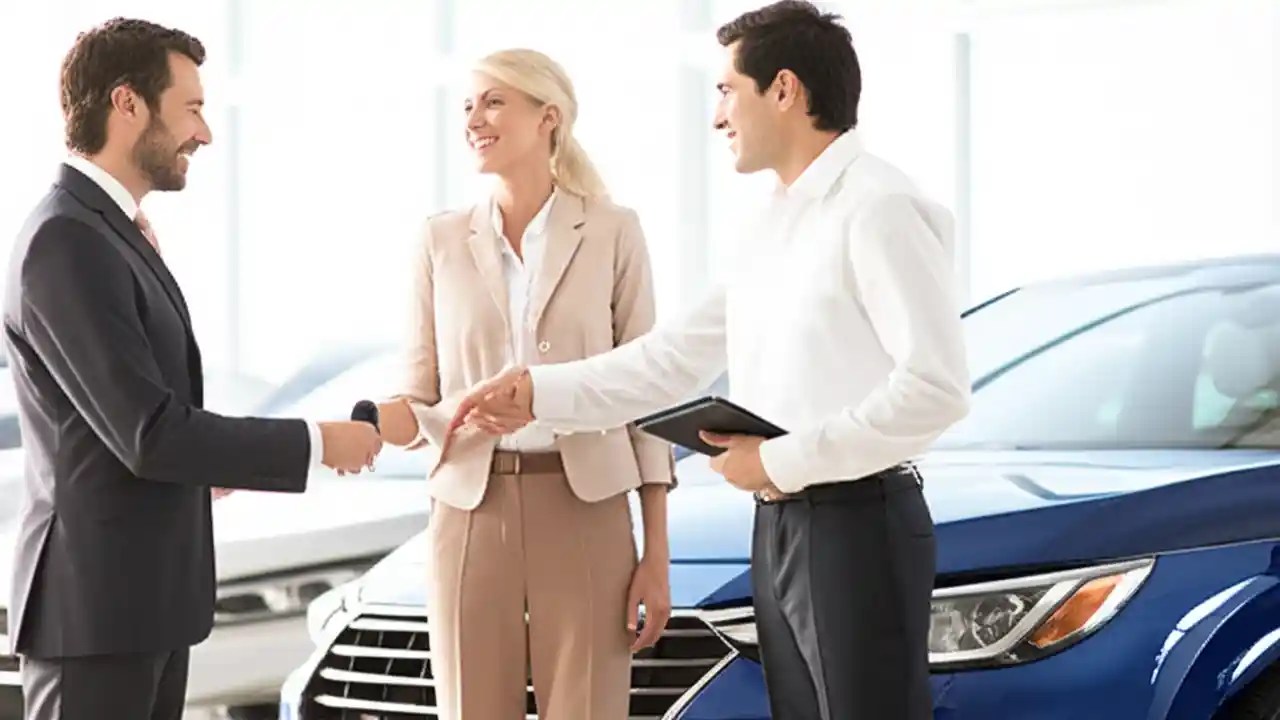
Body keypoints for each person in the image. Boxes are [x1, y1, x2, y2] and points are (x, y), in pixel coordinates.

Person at [447, 3, 972, 719]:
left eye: (727, 90)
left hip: (858, 523)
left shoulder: (879, 207)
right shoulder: (770, 225)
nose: (717, 117)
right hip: (781, 523)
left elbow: (935, 389)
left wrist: (781, 461)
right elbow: (667, 362)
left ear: (783, 90)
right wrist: (537, 393)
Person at [3, 18, 382, 720]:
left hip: (138, 611)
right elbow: (149, 434)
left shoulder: (108, 234)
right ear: (127, 105)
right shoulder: (68, 240)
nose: (203, 134)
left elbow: (131, 425)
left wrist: (219, 465)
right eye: (193, 109)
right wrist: (321, 442)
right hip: (96, 617)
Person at [372, 48, 675, 719]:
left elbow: (646, 395)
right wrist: (449, 418)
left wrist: (657, 554)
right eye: (468, 107)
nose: (474, 120)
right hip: (469, 515)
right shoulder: (439, 239)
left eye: (493, 102)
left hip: (587, 509)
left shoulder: (613, 230)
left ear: (549, 117)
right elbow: (416, 396)